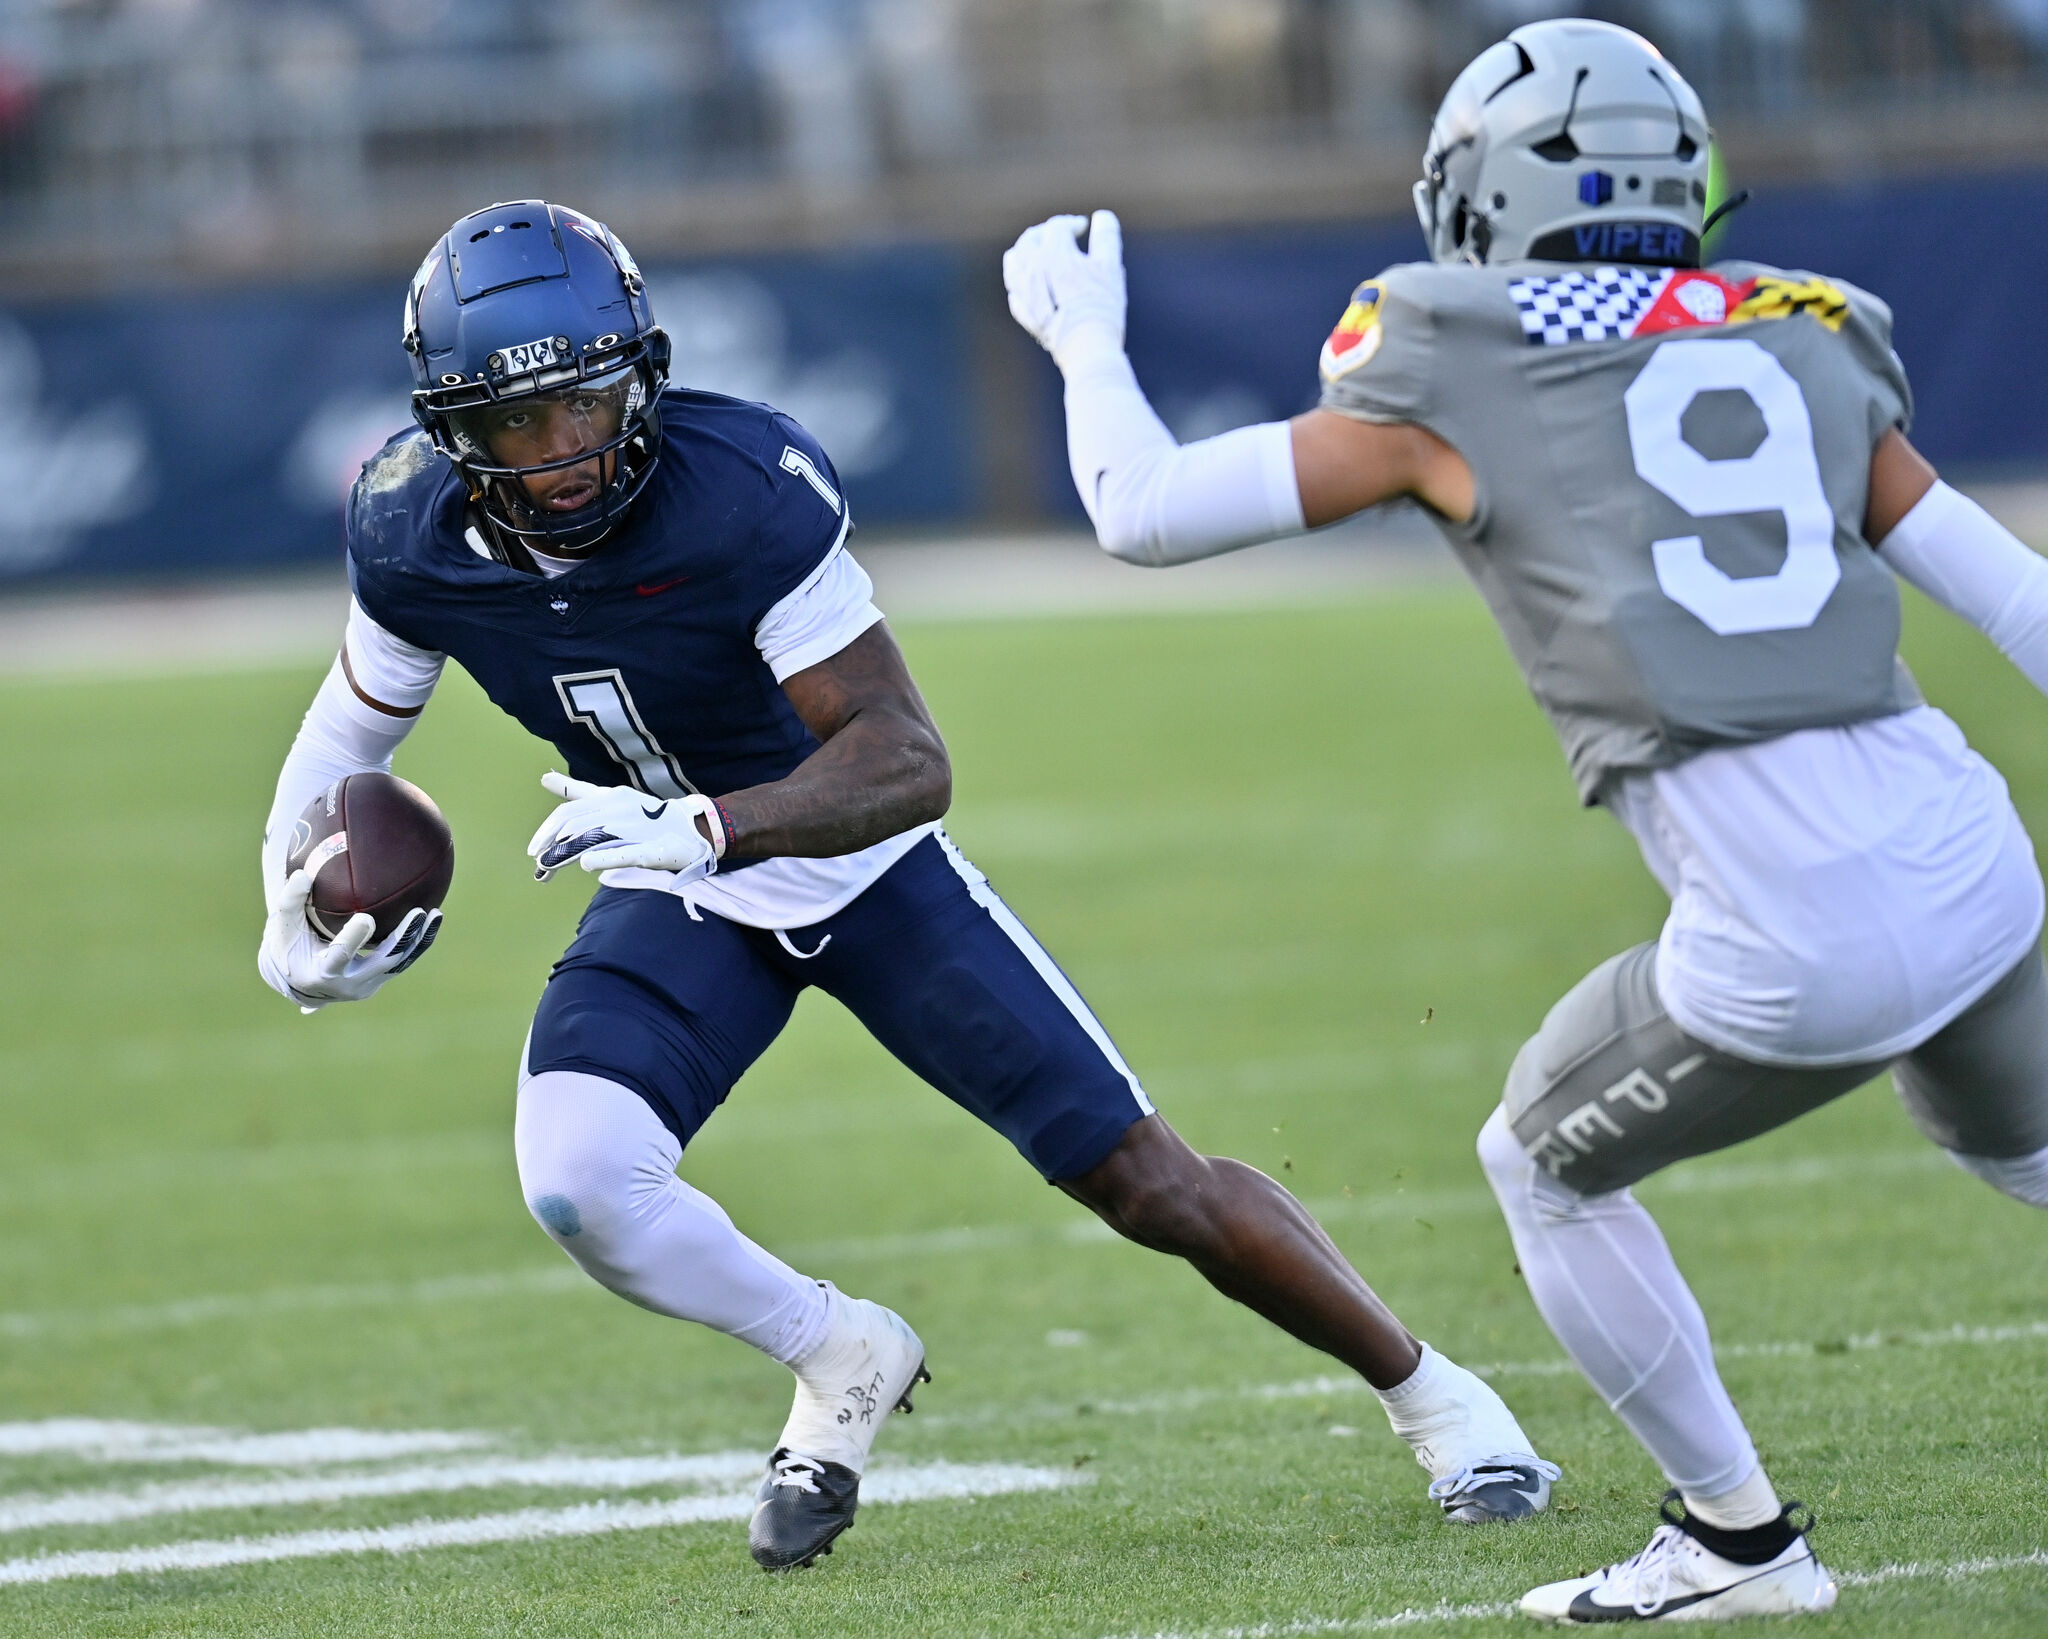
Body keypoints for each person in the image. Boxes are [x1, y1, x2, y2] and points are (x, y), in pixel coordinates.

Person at [255, 200, 1557, 1574]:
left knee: (1149, 1186)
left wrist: (714, 825)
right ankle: (842, 1353)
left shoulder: (739, 491)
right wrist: (289, 909)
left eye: (582, 407)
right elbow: (349, 737)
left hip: (844, 858)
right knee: (579, 1183)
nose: (561, 453)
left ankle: (1441, 1401)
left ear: (638, 374)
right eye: (516, 429)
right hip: (676, 879)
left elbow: (905, 759)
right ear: (455, 435)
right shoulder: (411, 528)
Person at [1004, 16, 2048, 1623]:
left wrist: (1082, 339)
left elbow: (1142, 516)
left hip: (1790, 924)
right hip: (1973, 858)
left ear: (1475, 198)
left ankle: (1739, 1545)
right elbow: (2007, 589)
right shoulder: (1805, 331)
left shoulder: (1451, 352)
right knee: (2028, 1151)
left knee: (1539, 1159)